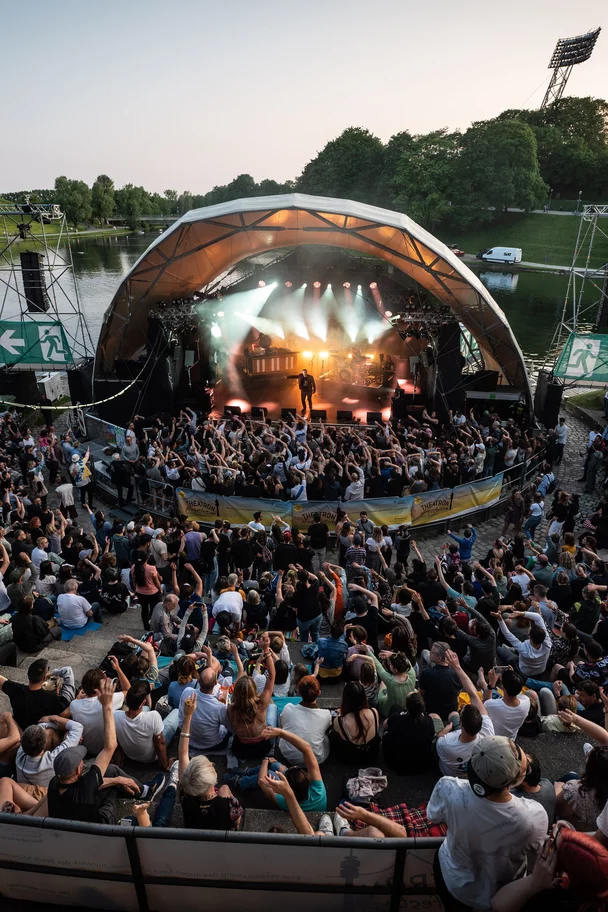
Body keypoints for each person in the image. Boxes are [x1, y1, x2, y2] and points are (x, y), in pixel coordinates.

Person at [427, 735, 548, 911]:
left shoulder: (448, 787)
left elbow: (433, 816)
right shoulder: (533, 816)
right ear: (514, 781)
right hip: (500, 895)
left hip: (452, 880)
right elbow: (538, 849)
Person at [47, 677, 164, 824]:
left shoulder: (54, 784)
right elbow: (110, 747)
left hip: (77, 814)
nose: (83, 762)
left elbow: (89, 784)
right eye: (81, 762)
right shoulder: (85, 789)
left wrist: (118, 779)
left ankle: (141, 790)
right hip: (102, 823)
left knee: (111, 771)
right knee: (111, 786)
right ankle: (144, 794)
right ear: (78, 771)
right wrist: (107, 706)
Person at [132, 692, 244, 831]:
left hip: (193, 829)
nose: (211, 764)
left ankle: (172, 783)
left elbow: (183, 753)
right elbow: (237, 822)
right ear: (212, 779)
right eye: (210, 766)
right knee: (225, 788)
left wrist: (188, 717)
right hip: (220, 842)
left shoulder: (186, 796)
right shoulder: (228, 804)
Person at [436, 650, 495, 777]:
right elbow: (474, 695)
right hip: (473, 774)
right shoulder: (488, 733)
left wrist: (444, 731)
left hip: (450, 777)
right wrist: (457, 668)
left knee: (441, 718)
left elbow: (439, 738)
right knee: (453, 714)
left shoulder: (446, 743)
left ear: (461, 724)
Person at [113, 681, 174, 769]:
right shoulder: (153, 716)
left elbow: (116, 742)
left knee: (147, 708)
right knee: (176, 712)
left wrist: (117, 763)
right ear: (143, 702)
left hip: (130, 755)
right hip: (150, 757)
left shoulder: (115, 716)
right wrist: (166, 765)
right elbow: (160, 743)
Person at [0, 660, 75, 730]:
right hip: (41, 732)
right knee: (68, 672)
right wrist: (77, 700)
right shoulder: (51, 697)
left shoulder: (16, 689)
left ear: (28, 674)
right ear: (45, 677)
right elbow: (64, 714)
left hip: (21, 728)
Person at [68, 668, 126, 755]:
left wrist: (78, 699)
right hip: (106, 749)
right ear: (98, 689)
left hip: (86, 749)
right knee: (121, 712)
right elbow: (128, 690)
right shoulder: (111, 699)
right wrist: (118, 668)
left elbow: (76, 704)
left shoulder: (74, 705)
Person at [16, 717, 84, 787]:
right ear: (45, 743)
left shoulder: (19, 755)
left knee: (49, 731)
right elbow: (78, 727)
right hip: (48, 792)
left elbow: (41, 726)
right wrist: (53, 718)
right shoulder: (54, 759)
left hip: (28, 789)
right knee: (69, 739)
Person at [178, 661, 229, 753]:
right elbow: (229, 726)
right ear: (216, 683)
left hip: (189, 740)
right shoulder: (219, 707)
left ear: (197, 681)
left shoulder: (187, 692)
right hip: (214, 744)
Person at [278, 675, 332, 764]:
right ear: (319, 693)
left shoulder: (288, 709)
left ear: (299, 692)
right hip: (316, 759)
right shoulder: (326, 714)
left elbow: (283, 724)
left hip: (289, 755)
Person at [382, 691, 438, 775]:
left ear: (407, 707)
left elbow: (385, 725)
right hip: (422, 766)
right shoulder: (428, 722)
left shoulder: (396, 719)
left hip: (396, 764)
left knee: (395, 709)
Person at [330, 681, 381, 764]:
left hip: (349, 758)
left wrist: (340, 714)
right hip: (371, 755)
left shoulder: (339, 721)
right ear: (364, 697)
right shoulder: (374, 712)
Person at [478, 667, 530, 740]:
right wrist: (513, 676)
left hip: (493, 738)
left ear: (503, 687)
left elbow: (485, 703)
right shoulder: (526, 701)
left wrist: (491, 683)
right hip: (510, 738)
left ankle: (483, 683)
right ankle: (483, 683)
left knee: (487, 694)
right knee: (494, 693)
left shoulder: (493, 705)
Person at [418, 641, 463, 721]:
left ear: (439, 658)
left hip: (432, 712)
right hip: (451, 712)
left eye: (431, 653)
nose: (430, 654)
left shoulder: (426, 673)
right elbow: (458, 692)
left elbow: (420, 693)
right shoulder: (457, 674)